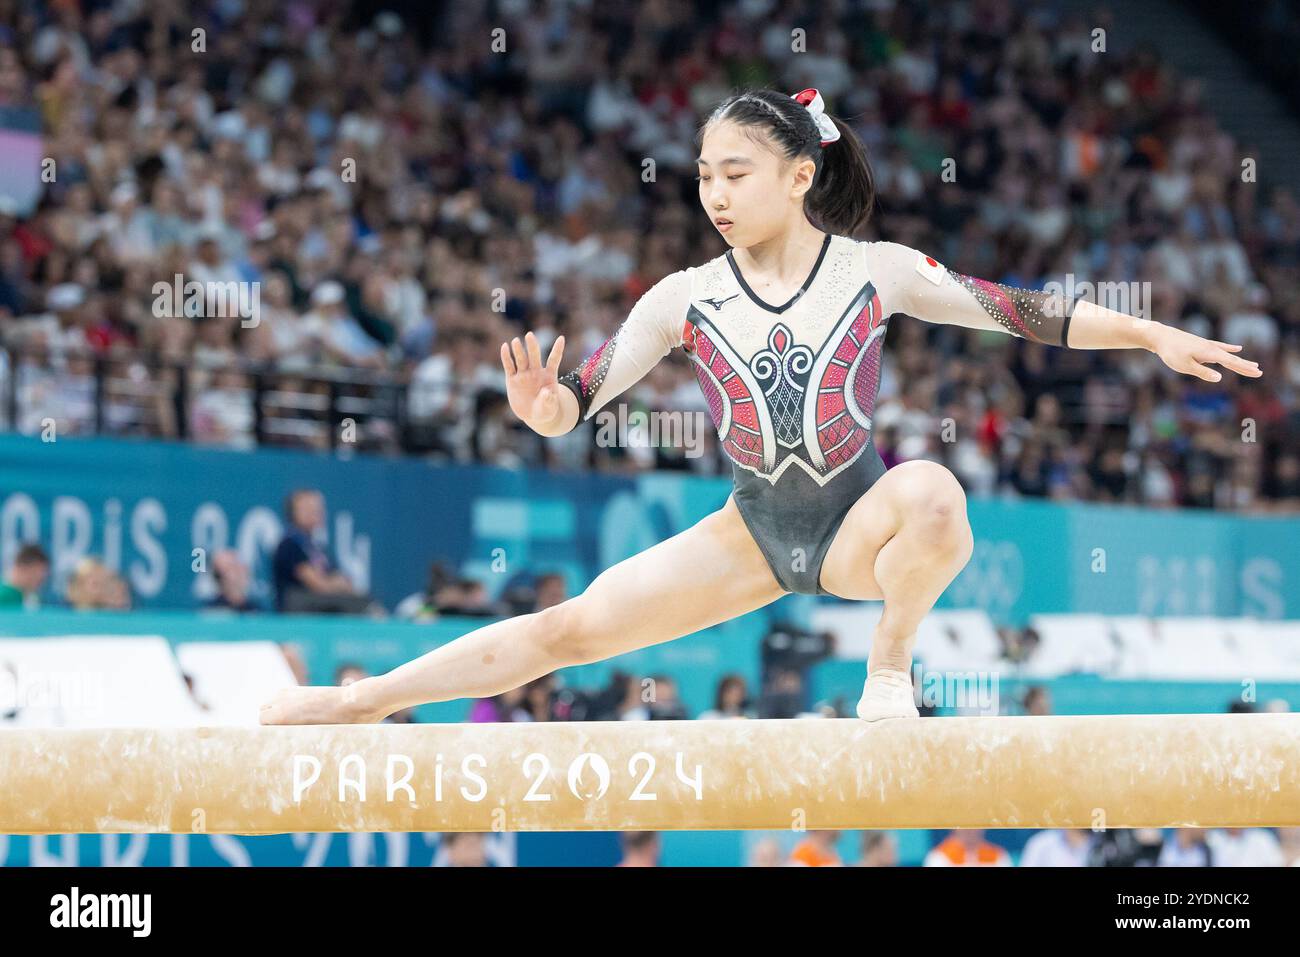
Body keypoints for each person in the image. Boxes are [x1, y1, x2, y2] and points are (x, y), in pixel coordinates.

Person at [260, 87, 1262, 726]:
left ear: (799, 174)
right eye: (703, 175)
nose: (715, 193)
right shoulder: (683, 296)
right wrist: (542, 410)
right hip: (748, 535)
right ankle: (363, 703)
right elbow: (579, 401)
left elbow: (1022, 311)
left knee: (935, 494)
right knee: (565, 630)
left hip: (854, 524)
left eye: (735, 173)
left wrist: (1148, 334)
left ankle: (890, 667)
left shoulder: (875, 270)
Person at [271, 489, 373, 614]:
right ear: (293, 513)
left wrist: (340, 583)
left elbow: (341, 579)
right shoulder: (289, 545)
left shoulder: (316, 547)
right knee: (359, 605)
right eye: (307, 508)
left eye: (317, 508)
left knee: (364, 602)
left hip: (321, 611)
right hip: (298, 615)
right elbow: (318, 585)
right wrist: (335, 584)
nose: (315, 512)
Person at [0, 544, 49, 610]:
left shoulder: (30, 596)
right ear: (21, 567)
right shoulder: (5, 595)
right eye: (34, 573)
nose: (40, 580)